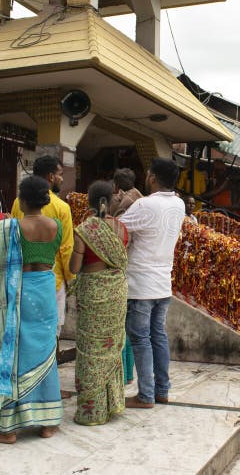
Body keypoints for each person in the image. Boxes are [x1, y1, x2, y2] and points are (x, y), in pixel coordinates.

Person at [0, 176, 63, 444]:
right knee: (46, 354)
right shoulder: (57, 226)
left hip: (18, 293)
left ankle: (8, 429)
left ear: (22, 200)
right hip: (46, 293)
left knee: (13, 353)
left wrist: (4, 281)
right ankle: (48, 423)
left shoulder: (9, 228)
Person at [120, 157, 184, 408]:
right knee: (158, 336)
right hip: (163, 283)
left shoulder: (144, 204)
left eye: (148, 174)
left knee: (140, 339)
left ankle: (146, 395)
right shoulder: (179, 204)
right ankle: (161, 391)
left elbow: (117, 229)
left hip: (141, 284)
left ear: (153, 177)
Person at [69, 181, 130, 425]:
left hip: (93, 294)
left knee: (90, 351)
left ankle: (92, 412)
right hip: (116, 293)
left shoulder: (84, 230)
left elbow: (75, 268)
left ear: (90, 202)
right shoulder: (122, 228)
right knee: (111, 349)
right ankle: (112, 404)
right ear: (109, 200)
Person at [10, 156, 74, 340]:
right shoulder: (61, 208)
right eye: (60, 174)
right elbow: (66, 248)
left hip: (22, 279)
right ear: (51, 177)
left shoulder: (17, 203)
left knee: (24, 332)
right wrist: (71, 280)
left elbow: (12, 241)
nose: (62, 179)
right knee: (51, 331)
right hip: (52, 279)